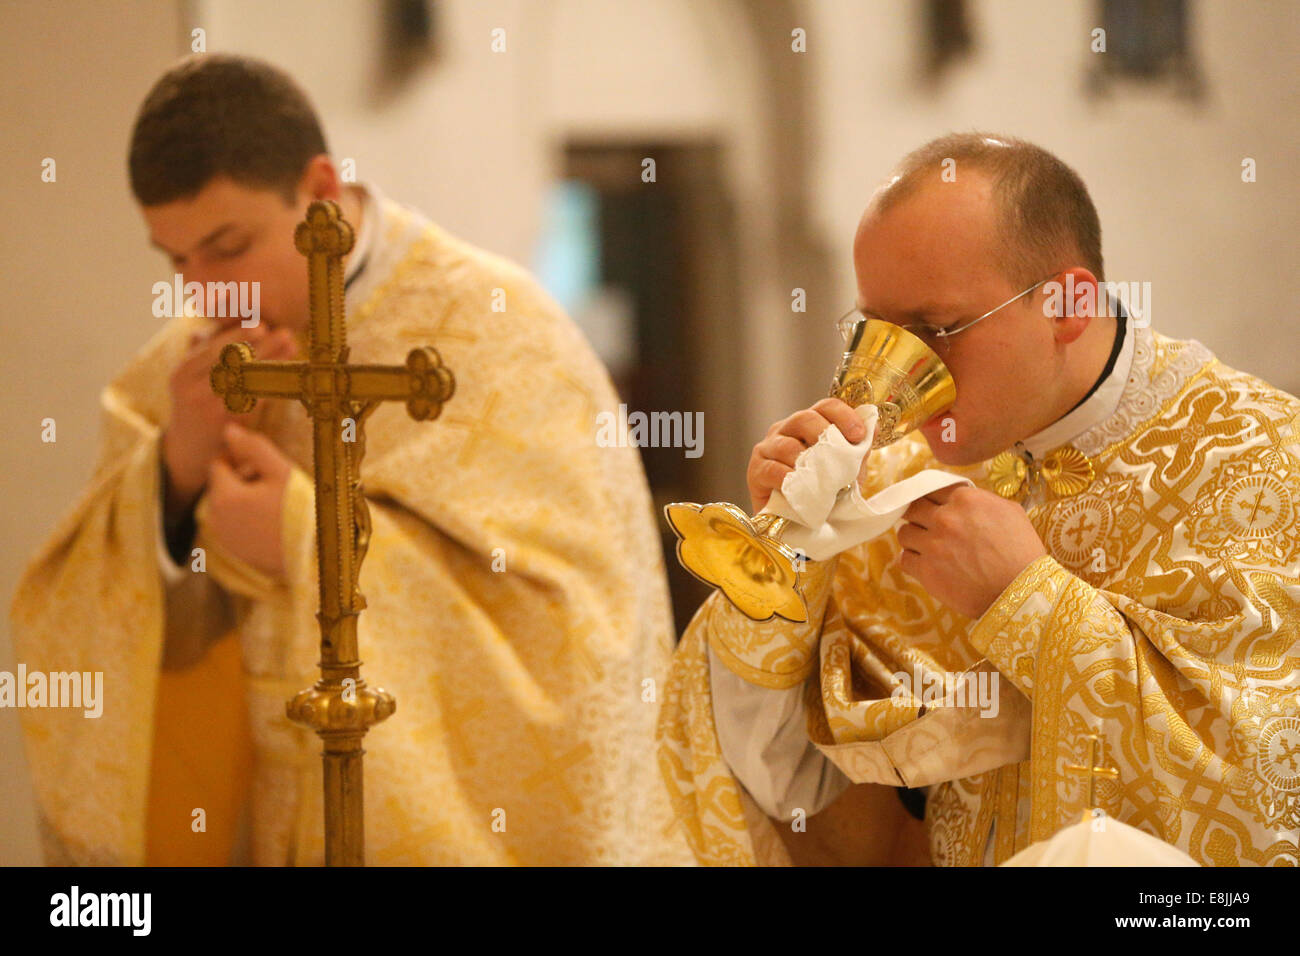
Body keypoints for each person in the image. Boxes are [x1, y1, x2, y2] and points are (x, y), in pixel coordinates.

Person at [11, 53, 691, 866]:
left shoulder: (504, 335)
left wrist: (304, 537)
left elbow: (578, 636)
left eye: (227, 246)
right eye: (176, 259)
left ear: (321, 188)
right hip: (271, 823)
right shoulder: (192, 366)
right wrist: (175, 473)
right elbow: (85, 617)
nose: (205, 292)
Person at [657, 132, 1300, 866]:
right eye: (875, 330)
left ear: (1067, 307)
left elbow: (1267, 784)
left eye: (935, 329)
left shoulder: (1262, 461)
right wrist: (789, 558)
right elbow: (784, 780)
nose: (901, 369)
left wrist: (1029, 603)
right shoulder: (892, 480)